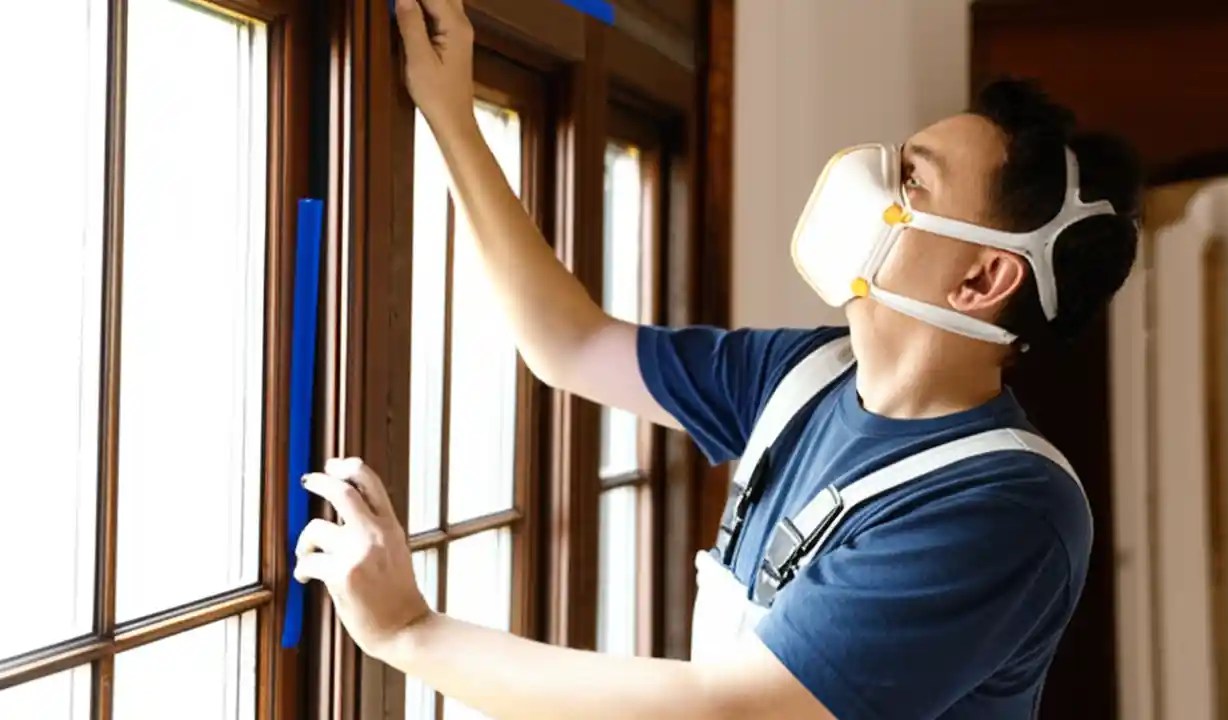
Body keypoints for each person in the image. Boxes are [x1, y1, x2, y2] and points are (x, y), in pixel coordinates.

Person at [292, 0, 1143, 717]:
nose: (868, 178)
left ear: (982, 277)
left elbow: (724, 711)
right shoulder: (807, 376)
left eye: (911, 180)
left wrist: (410, 633)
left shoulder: (1006, 508)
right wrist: (450, 112)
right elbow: (573, 345)